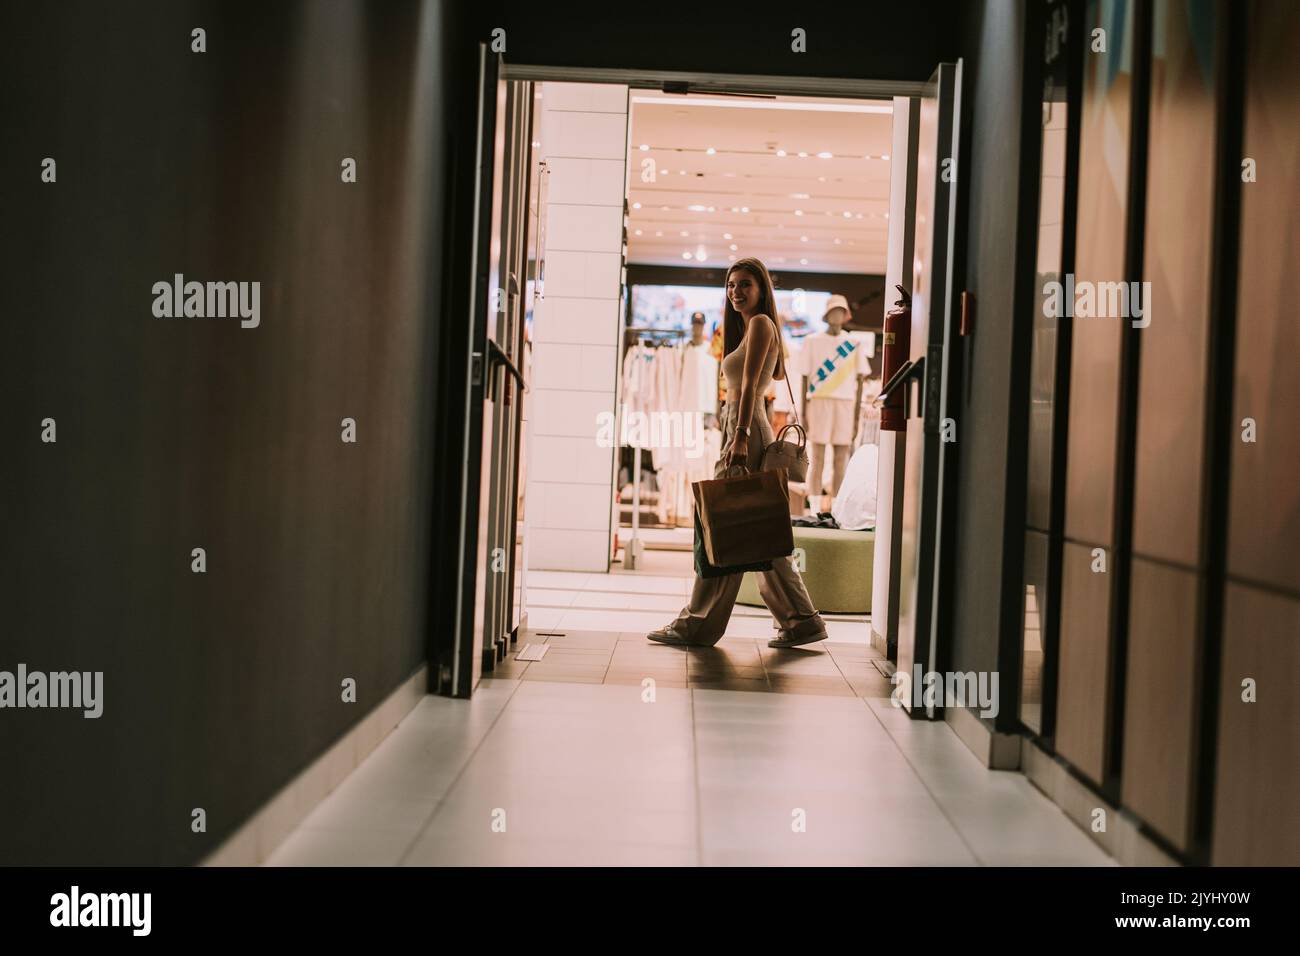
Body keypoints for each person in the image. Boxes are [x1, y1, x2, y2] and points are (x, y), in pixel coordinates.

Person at [647, 258, 828, 649]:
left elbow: (749, 387)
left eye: (745, 284)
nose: (736, 292)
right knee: (758, 528)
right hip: (740, 427)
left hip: (749, 431)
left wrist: (741, 436)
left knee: (724, 522)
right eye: (731, 285)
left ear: (762, 289)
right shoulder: (748, 328)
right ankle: (801, 619)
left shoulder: (762, 325)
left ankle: (698, 622)